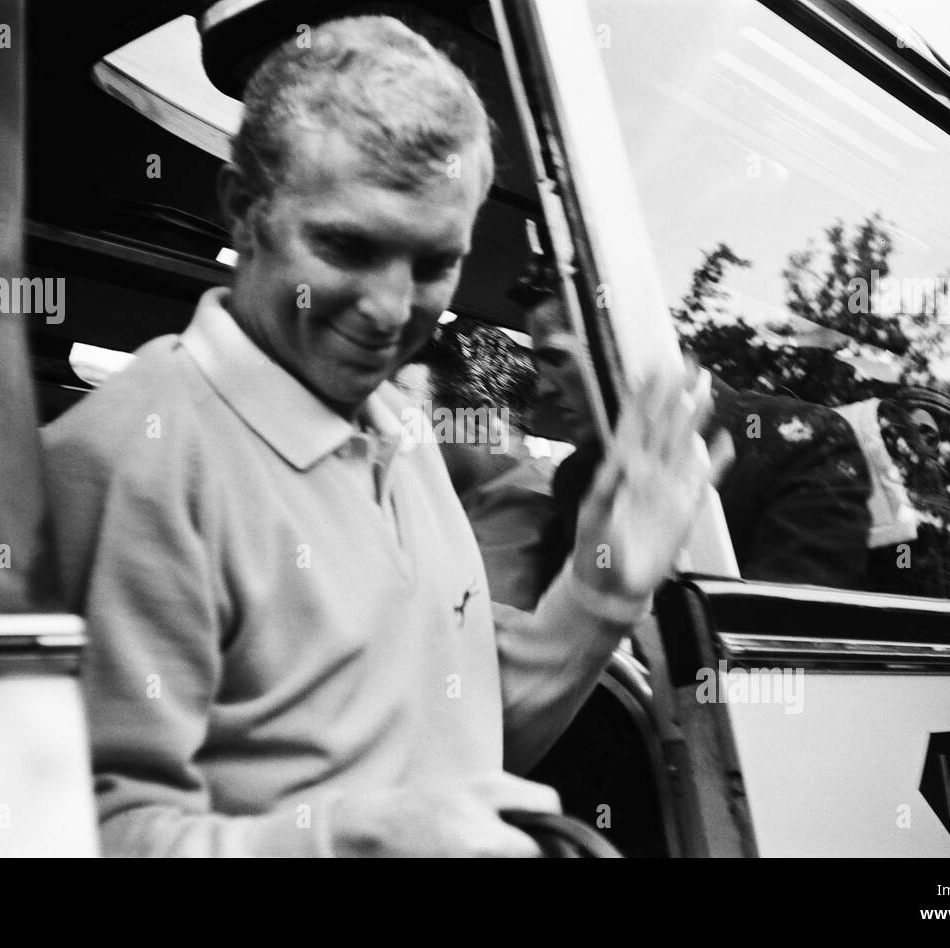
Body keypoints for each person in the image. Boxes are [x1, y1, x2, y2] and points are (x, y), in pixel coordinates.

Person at [42, 15, 722, 857]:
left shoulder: (403, 433)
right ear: (244, 210)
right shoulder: (125, 461)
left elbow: (460, 745)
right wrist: (350, 841)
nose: (391, 311)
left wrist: (601, 593)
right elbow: (73, 836)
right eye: (347, 247)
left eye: (434, 264)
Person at [516, 273, 872, 591]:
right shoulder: (576, 479)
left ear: (617, 340)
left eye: (556, 358)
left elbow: (787, 627)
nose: (544, 388)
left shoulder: (805, 442)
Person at [397, 318, 558, 611]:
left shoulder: (525, 514)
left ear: (477, 423)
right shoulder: (483, 504)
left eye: (403, 417)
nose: (383, 431)